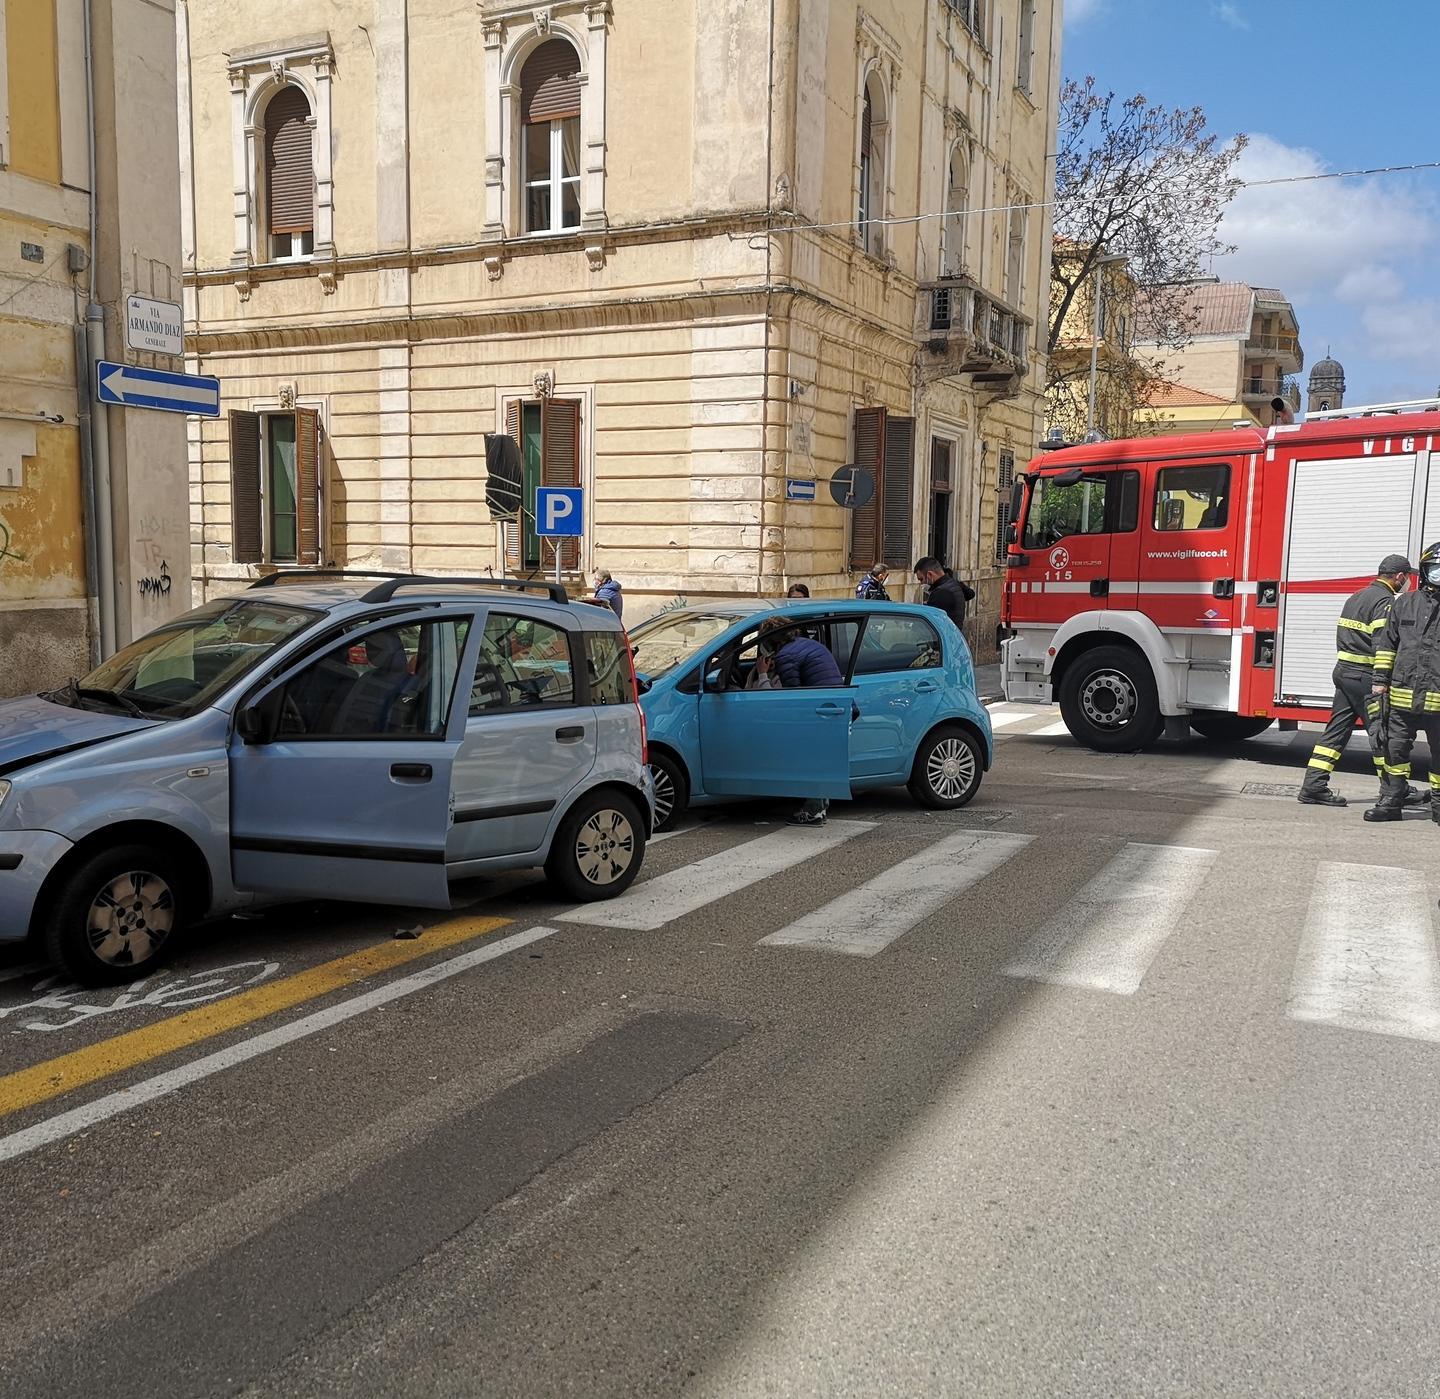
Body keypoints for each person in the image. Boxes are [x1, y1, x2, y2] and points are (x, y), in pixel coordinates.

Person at [1299, 554, 1422, 807]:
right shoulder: (1385, 601)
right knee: (1382, 734)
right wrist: (1384, 679)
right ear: (1399, 577)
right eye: (1406, 578)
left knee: (1336, 731)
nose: (1407, 583)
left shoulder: (1356, 596)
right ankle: (1394, 790)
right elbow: (1382, 644)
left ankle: (1313, 785)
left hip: (1345, 673)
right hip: (1365, 677)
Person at [1366, 541, 1440, 823]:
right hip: (1401, 697)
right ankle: (1391, 803)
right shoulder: (1405, 603)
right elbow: (1387, 646)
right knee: (1394, 752)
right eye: (1435, 568)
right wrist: (1379, 683)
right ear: (1424, 570)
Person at [756, 616, 845, 826]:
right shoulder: (807, 645)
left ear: (770, 641)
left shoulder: (787, 656)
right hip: (833, 708)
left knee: (809, 757)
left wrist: (762, 675)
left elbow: (787, 699)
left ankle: (813, 811)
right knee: (819, 758)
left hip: (820, 712)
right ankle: (819, 807)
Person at [913, 556, 975, 630]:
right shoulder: (952, 583)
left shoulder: (940, 593)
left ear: (930, 574)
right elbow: (970, 594)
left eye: (921, 579)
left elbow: (929, 623)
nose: (922, 583)